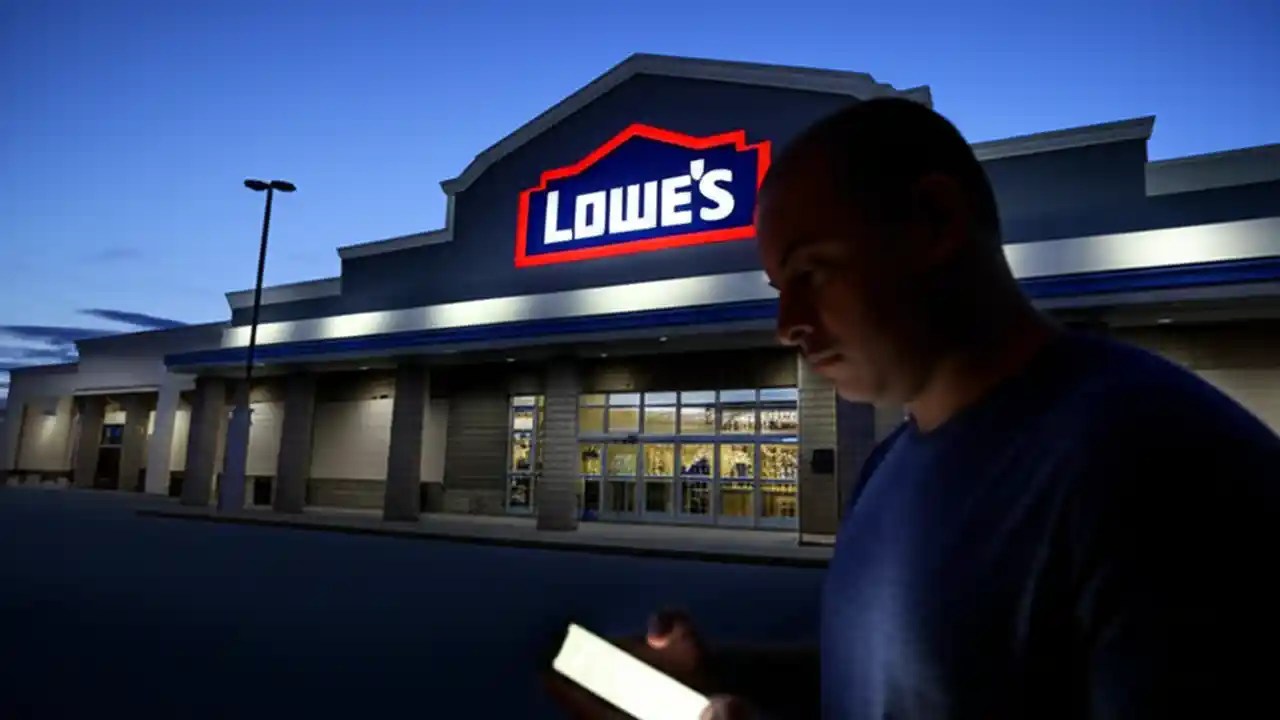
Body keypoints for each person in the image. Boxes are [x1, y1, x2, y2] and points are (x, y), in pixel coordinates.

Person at [548, 98, 1280, 719]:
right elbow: (901, 681)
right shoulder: (887, 469)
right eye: (778, 287)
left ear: (933, 221)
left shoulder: (1163, 470)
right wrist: (713, 670)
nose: (787, 324)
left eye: (812, 272)